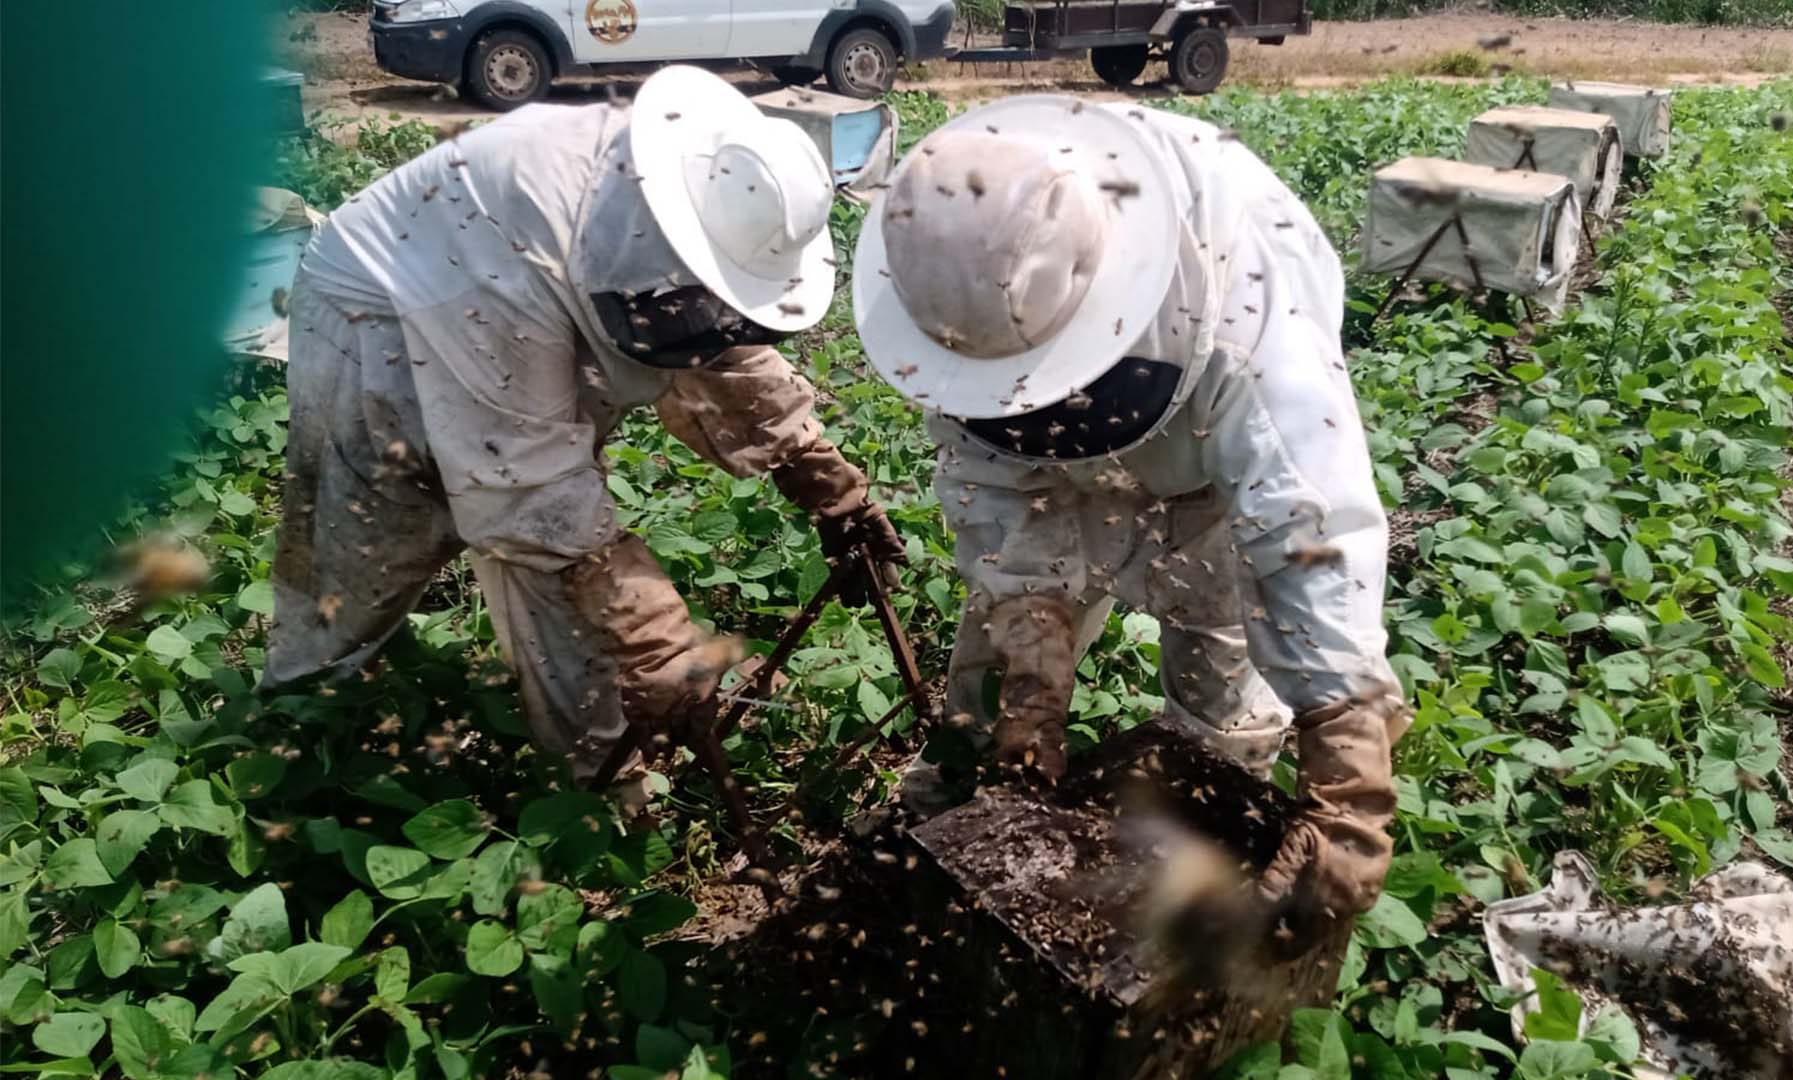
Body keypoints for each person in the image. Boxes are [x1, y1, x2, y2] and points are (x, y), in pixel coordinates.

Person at [852, 95, 1406, 938]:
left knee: (1221, 692)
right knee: (998, 668)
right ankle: (946, 802)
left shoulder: (1249, 303)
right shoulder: (950, 271)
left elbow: (1307, 523)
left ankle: (1206, 837)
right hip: (1047, 462)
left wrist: (1349, 774)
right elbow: (994, 485)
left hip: (1202, 482)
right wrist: (1034, 679)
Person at [267, 66, 905, 788]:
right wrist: (650, 632)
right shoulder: (522, 249)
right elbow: (530, 487)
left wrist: (827, 481)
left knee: (559, 553)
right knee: (372, 542)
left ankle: (597, 776)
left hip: (514, 291)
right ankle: (299, 729)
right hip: (385, 311)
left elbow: (721, 350)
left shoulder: (705, 196)